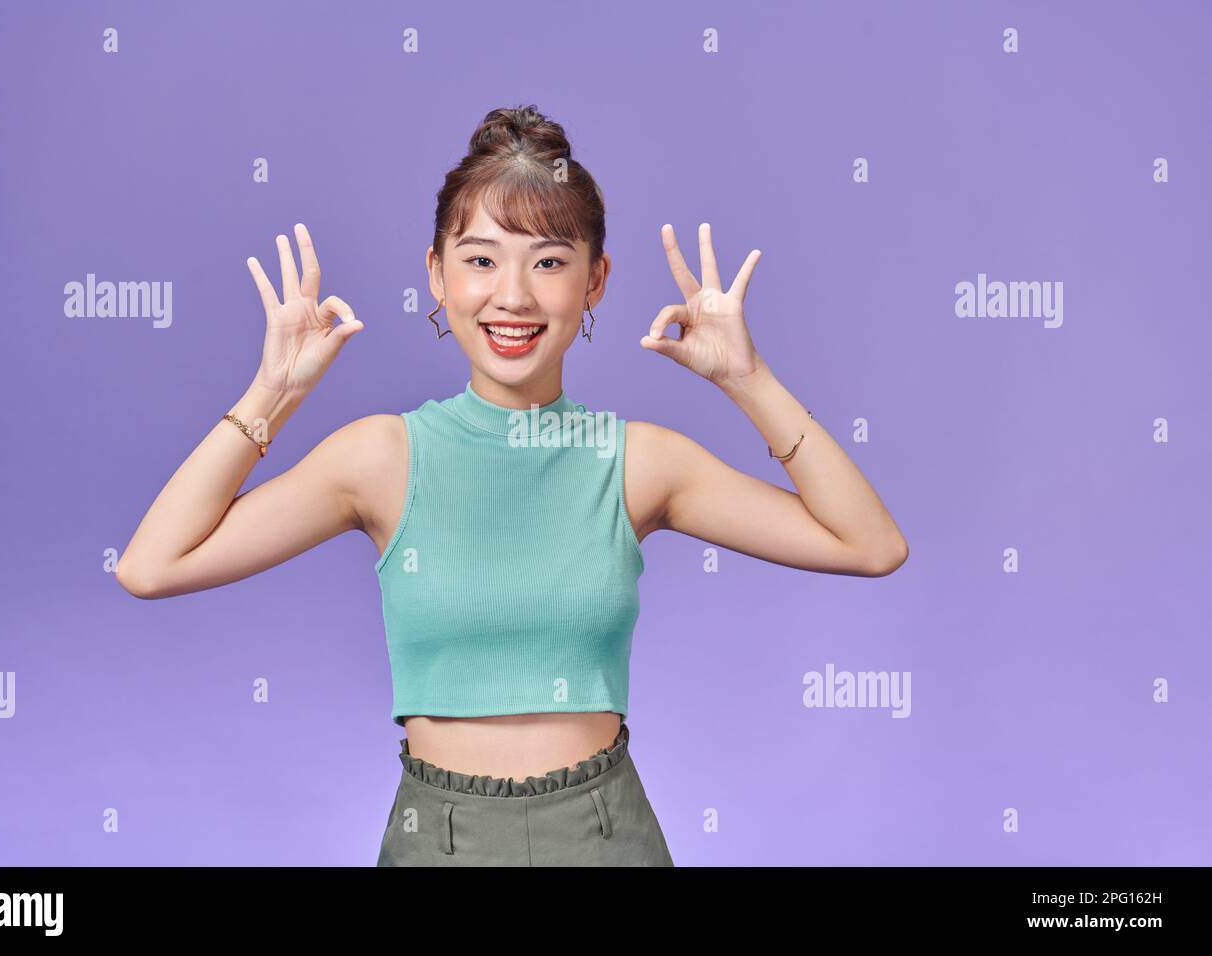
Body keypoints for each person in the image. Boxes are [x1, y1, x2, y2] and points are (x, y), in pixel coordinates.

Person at [115, 104, 908, 866]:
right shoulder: (383, 458)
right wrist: (274, 394)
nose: (514, 295)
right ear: (437, 274)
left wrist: (748, 378)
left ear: (595, 281)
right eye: (482, 258)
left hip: (606, 838)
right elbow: (152, 566)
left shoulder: (635, 462)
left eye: (551, 262)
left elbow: (869, 545)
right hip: (439, 841)